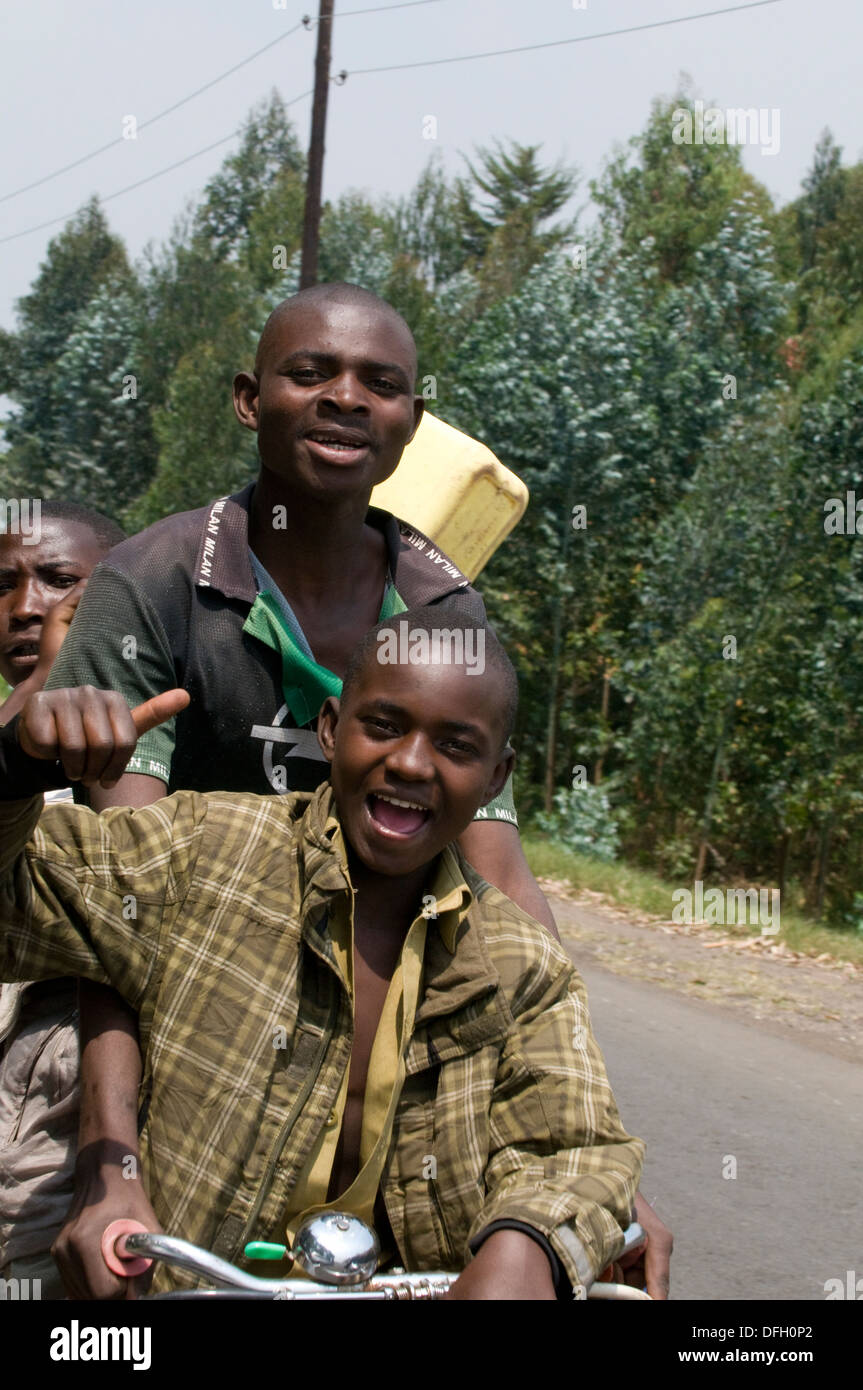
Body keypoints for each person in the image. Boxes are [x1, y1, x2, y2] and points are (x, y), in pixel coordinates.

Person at [45, 282, 671, 1296]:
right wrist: (108, 1162)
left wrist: (588, 1169)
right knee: (70, 1255)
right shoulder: (151, 584)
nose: (345, 399)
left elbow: (501, 887)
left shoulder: (443, 603)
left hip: (372, 1004)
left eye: (379, 385)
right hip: (172, 992)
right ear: (251, 399)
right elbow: (128, 921)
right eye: (311, 374)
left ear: (410, 426)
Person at [0, 610, 644, 1299]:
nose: (410, 763)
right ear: (331, 729)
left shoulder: (521, 967)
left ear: (495, 777)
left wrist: (527, 1246)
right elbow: (18, 898)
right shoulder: (202, 852)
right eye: (385, 726)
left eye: (456, 747)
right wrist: (12, 766)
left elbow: (577, 1145)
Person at [0, 500, 125, 1299]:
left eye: (57, 583)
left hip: (72, 1169)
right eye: (3, 585)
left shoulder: (143, 750)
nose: (24, 607)